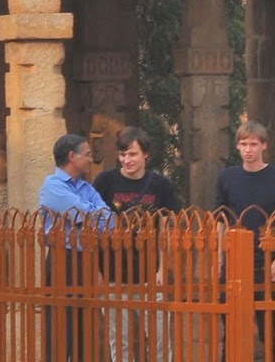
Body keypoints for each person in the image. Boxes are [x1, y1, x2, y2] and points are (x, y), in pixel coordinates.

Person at [93, 126, 181, 361]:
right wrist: (96, 269)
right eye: (122, 154)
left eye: (132, 154)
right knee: (118, 340)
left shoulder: (160, 184)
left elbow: (166, 228)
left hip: (149, 272)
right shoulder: (105, 181)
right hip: (113, 271)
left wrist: (163, 267)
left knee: (159, 339)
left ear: (146, 155)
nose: (126, 160)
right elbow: (93, 227)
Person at [214, 120, 275, 362]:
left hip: (267, 261)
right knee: (231, 326)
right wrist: (219, 257)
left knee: (271, 328)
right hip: (233, 261)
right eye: (243, 144)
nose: (248, 149)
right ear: (237, 147)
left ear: (264, 146)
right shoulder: (227, 177)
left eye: (253, 144)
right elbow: (220, 220)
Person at [39, 133, 116, 361]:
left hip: (87, 259)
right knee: (62, 325)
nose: (91, 159)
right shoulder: (51, 185)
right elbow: (81, 214)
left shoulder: (85, 187)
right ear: (72, 156)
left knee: (87, 325)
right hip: (64, 257)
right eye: (88, 154)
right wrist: (91, 213)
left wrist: (90, 213)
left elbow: (109, 220)